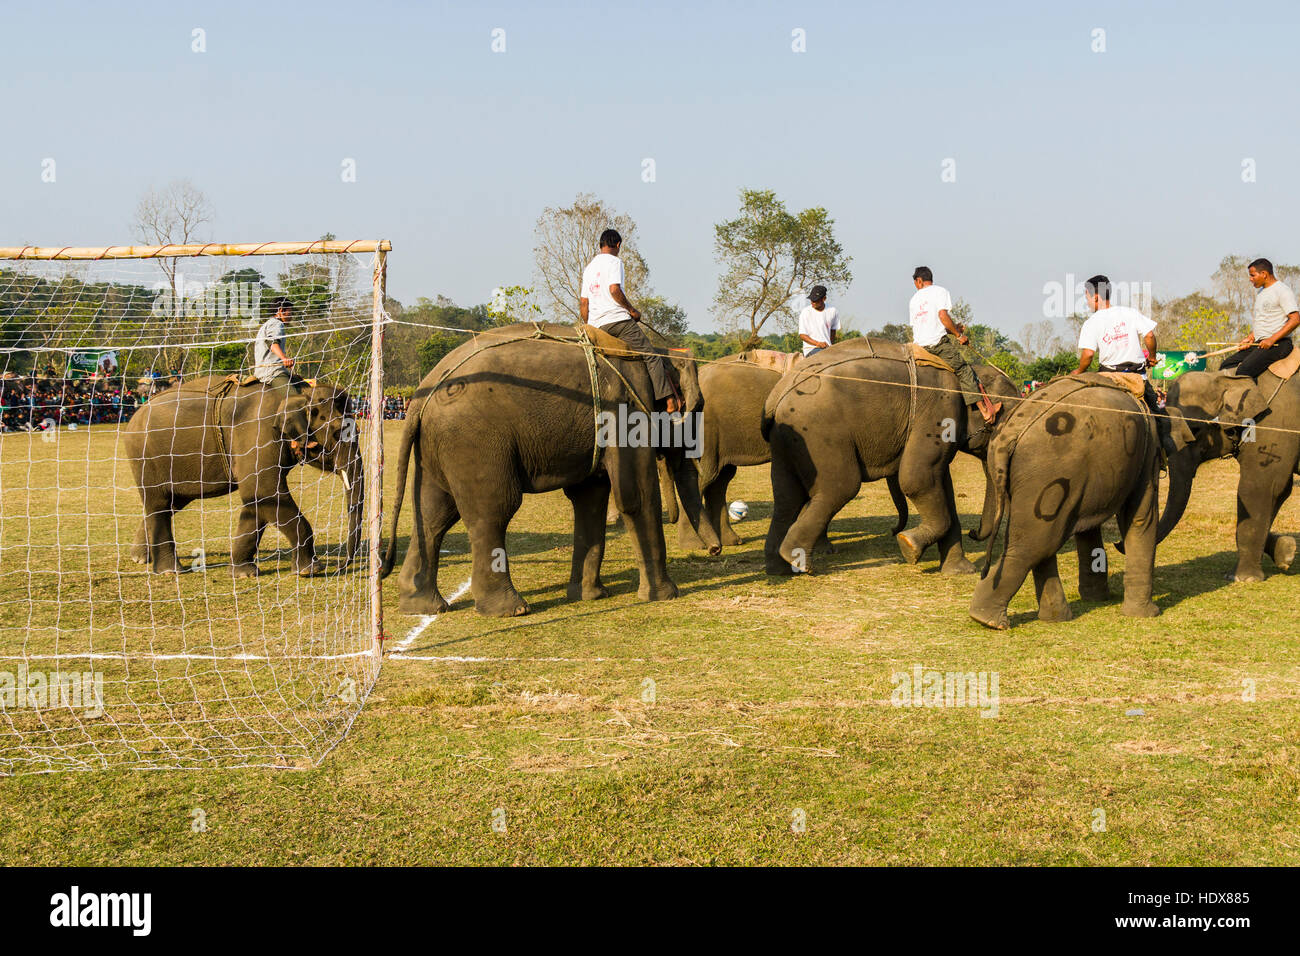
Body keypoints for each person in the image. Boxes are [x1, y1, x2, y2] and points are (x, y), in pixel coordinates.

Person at [579, 229, 682, 414]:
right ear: (618, 245)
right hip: (618, 322)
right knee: (651, 356)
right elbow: (614, 290)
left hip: (597, 327)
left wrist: (590, 326)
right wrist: (631, 310)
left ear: (601, 245)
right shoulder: (615, 262)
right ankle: (668, 400)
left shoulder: (589, 268)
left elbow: (584, 304)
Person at [1071, 274, 1171, 451]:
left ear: (1095, 296)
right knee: (1160, 418)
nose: (1086, 302)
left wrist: (1079, 371)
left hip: (1109, 379)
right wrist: (1152, 358)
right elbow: (1149, 336)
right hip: (1138, 378)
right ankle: (1162, 455)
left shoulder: (1091, 322)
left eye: (1086, 297)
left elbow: (1088, 355)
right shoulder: (1129, 313)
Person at [908, 266, 1000, 426]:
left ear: (919, 281)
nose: (916, 285)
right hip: (937, 345)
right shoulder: (939, 291)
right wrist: (959, 336)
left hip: (918, 347)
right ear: (922, 280)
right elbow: (943, 316)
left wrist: (954, 329)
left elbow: (927, 326)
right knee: (964, 370)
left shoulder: (914, 299)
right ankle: (985, 412)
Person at [1219, 258, 1299, 379]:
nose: (1250, 279)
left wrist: (1272, 339)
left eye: (1252, 275)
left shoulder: (1282, 291)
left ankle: (1255, 398)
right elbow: (1264, 321)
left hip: (1278, 344)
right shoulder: (1261, 292)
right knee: (1226, 365)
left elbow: (1295, 320)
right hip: (1260, 343)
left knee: (1244, 371)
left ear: (1264, 274)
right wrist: (1250, 337)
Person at [253, 296, 301, 391]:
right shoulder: (276, 324)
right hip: (273, 372)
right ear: (281, 310)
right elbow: (273, 343)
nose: (291, 315)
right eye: (289, 312)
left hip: (267, 370)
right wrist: (284, 358)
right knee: (296, 400)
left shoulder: (268, 324)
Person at [797, 285, 839, 356]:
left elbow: (833, 330)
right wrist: (818, 344)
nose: (812, 302)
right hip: (811, 349)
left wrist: (830, 345)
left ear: (824, 298)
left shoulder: (833, 311)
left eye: (816, 300)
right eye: (812, 300)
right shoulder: (806, 312)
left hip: (827, 349)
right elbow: (802, 335)